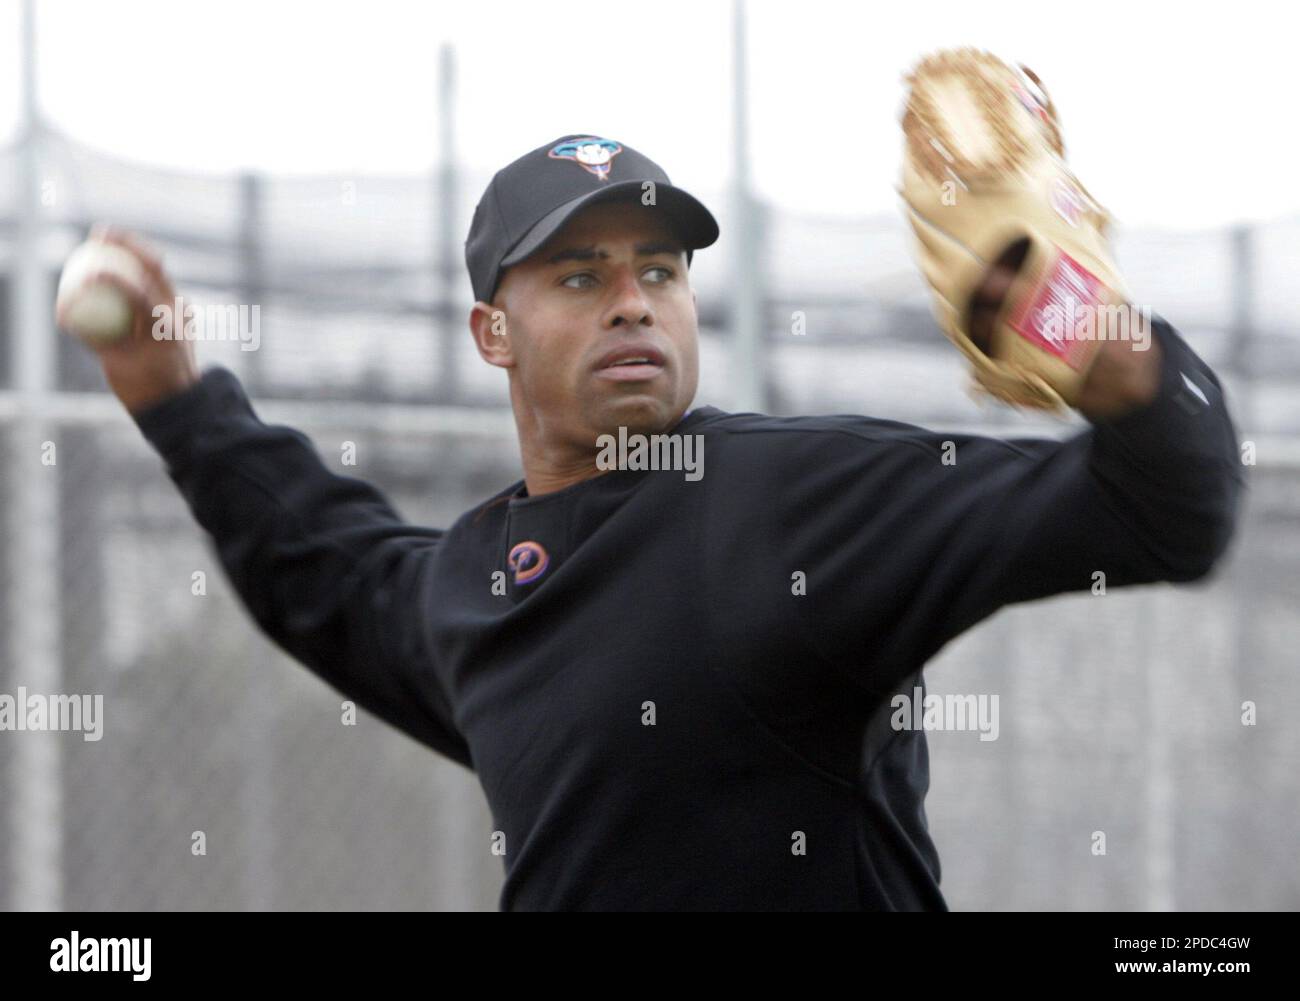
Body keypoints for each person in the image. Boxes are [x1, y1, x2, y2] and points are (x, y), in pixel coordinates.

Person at [80, 133, 1243, 910]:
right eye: (581, 275)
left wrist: (1100, 336)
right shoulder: (477, 588)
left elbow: (1160, 513)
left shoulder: (795, 498)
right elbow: (325, 567)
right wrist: (177, 398)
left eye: (661, 270)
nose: (634, 298)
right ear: (494, 334)